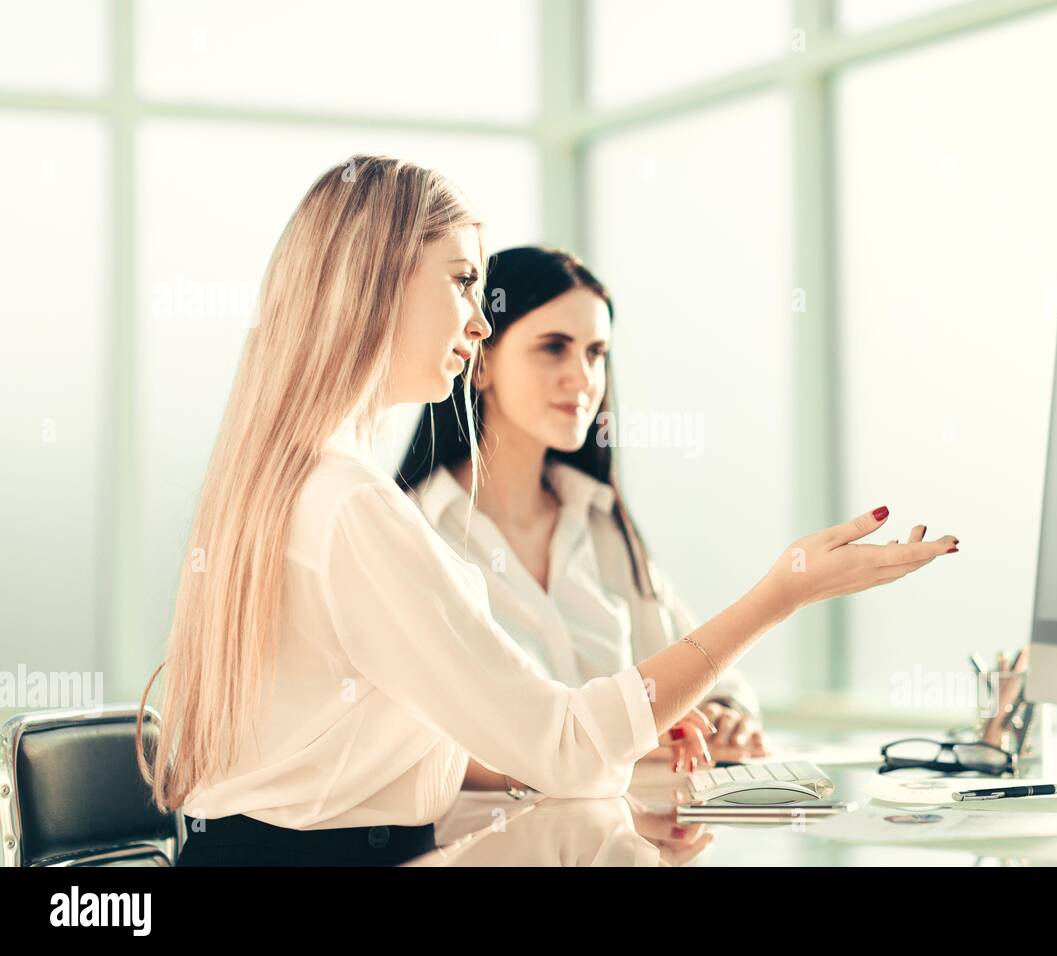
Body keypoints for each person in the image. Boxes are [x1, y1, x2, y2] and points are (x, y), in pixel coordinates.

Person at [137, 154, 958, 866]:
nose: (477, 317)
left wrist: (627, 733)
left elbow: (363, 748)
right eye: (463, 281)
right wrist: (785, 591)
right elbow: (562, 745)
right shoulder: (357, 509)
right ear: (374, 281)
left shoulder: (300, 486)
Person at [396, 247, 762, 774]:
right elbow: (421, 744)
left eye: (595, 353)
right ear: (479, 362)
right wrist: (620, 744)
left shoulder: (600, 519)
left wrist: (725, 713)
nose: (583, 377)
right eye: (553, 348)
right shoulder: (416, 528)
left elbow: (704, 665)